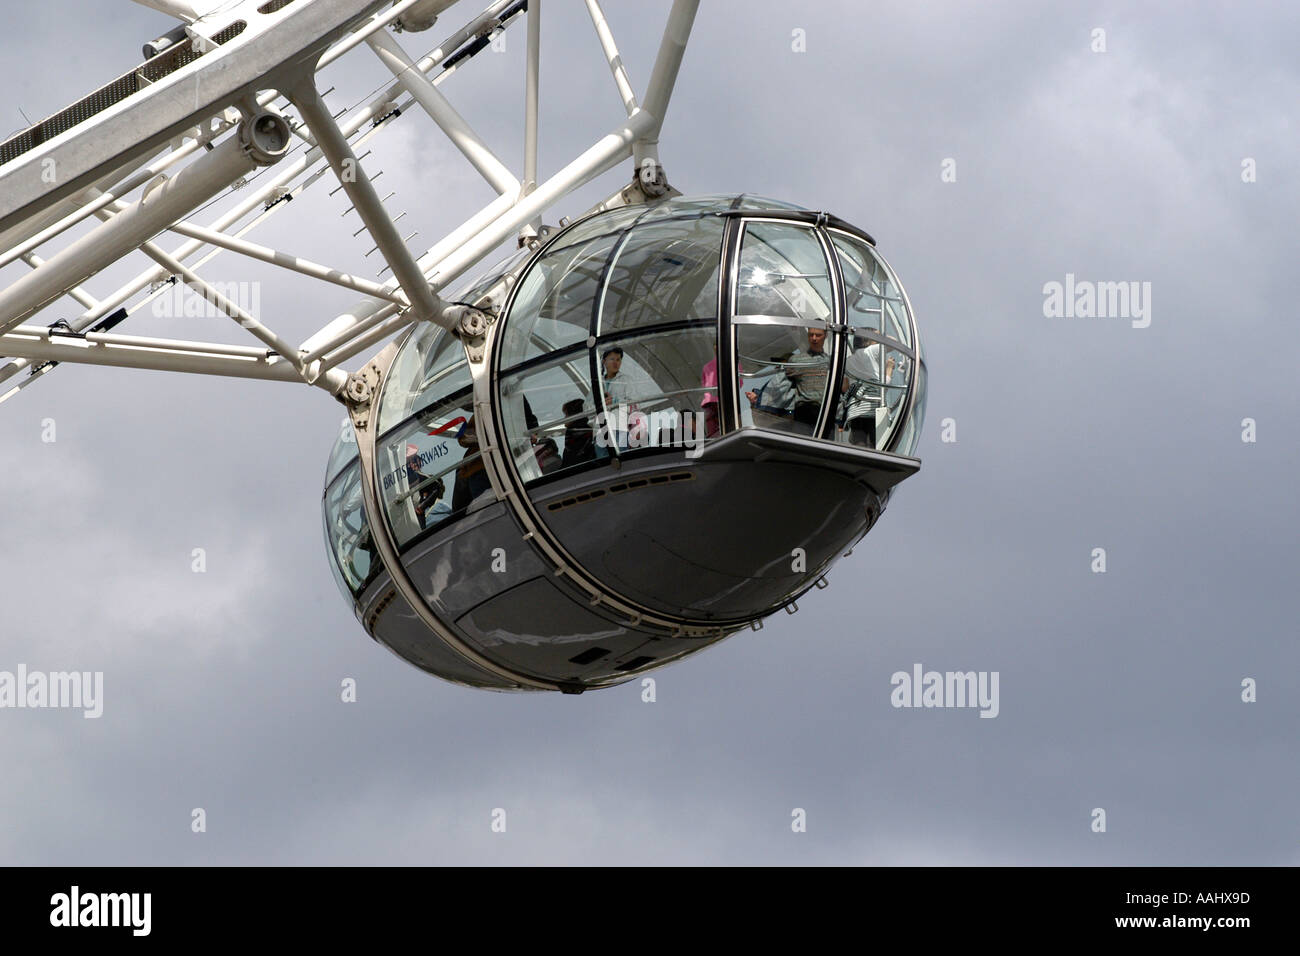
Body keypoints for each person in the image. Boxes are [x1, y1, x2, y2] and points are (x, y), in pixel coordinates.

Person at [747, 327, 831, 430]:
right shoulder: (784, 383)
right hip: (805, 417)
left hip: (805, 415)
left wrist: (758, 398)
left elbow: (774, 394)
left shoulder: (787, 378)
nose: (778, 367)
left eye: (782, 363)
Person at [404, 443, 446, 528]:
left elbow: (436, 486)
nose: (414, 463)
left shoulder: (422, 478)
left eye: (415, 459)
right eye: (411, 461)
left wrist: (422, 505)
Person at [560, 398, 597, 467]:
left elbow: (571, 461)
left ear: (574, 416)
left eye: (566, 415)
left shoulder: (575, 437)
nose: (564, 418)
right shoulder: (587, 433)